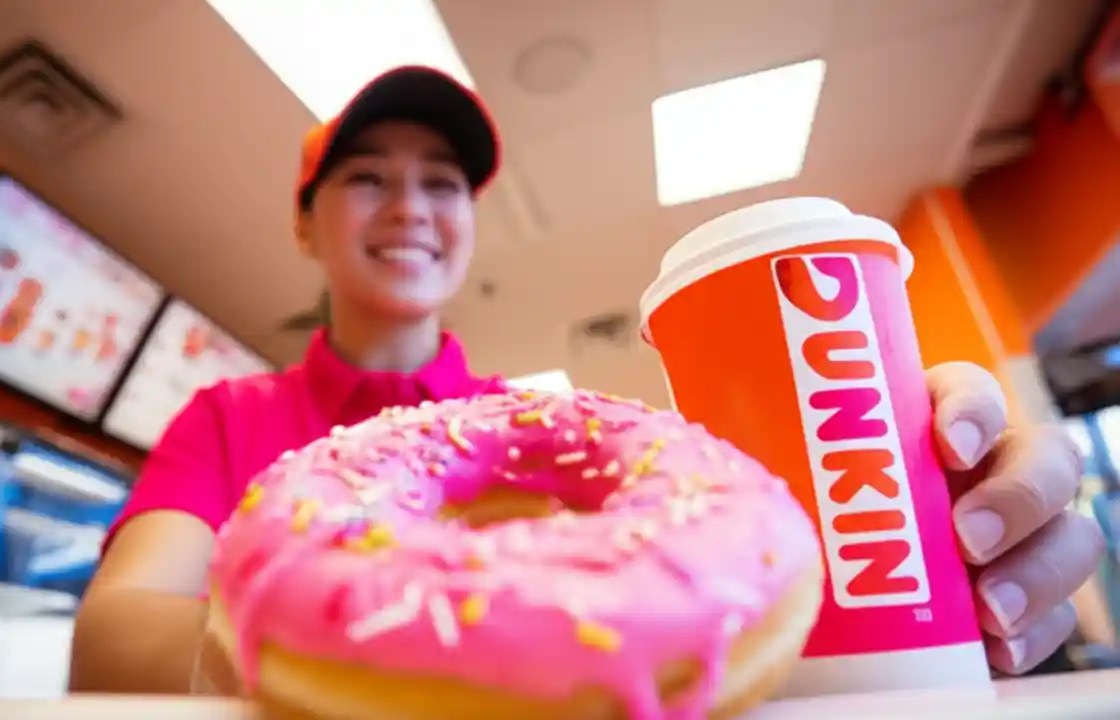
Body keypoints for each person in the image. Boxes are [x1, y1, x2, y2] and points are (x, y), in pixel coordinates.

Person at [69, 66, 1104, 694]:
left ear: (471, 223)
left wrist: (914, 519)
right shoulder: (228, 417)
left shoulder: (550, 431)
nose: (410, 207)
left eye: (442, 183)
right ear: (306, 220)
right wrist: (347, 646)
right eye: (365, 177)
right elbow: (113, 636)